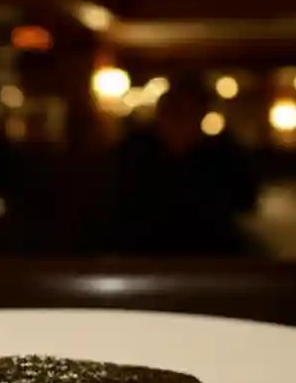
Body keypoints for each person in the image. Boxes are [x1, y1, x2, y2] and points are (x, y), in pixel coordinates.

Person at [99, 79, 257, 256]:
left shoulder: (223, 157)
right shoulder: (134, 156)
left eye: (189, 114)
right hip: (142, 259)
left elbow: (244, 202)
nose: (181, 123)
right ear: (161, 116)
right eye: (175, 113)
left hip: (208, 258)